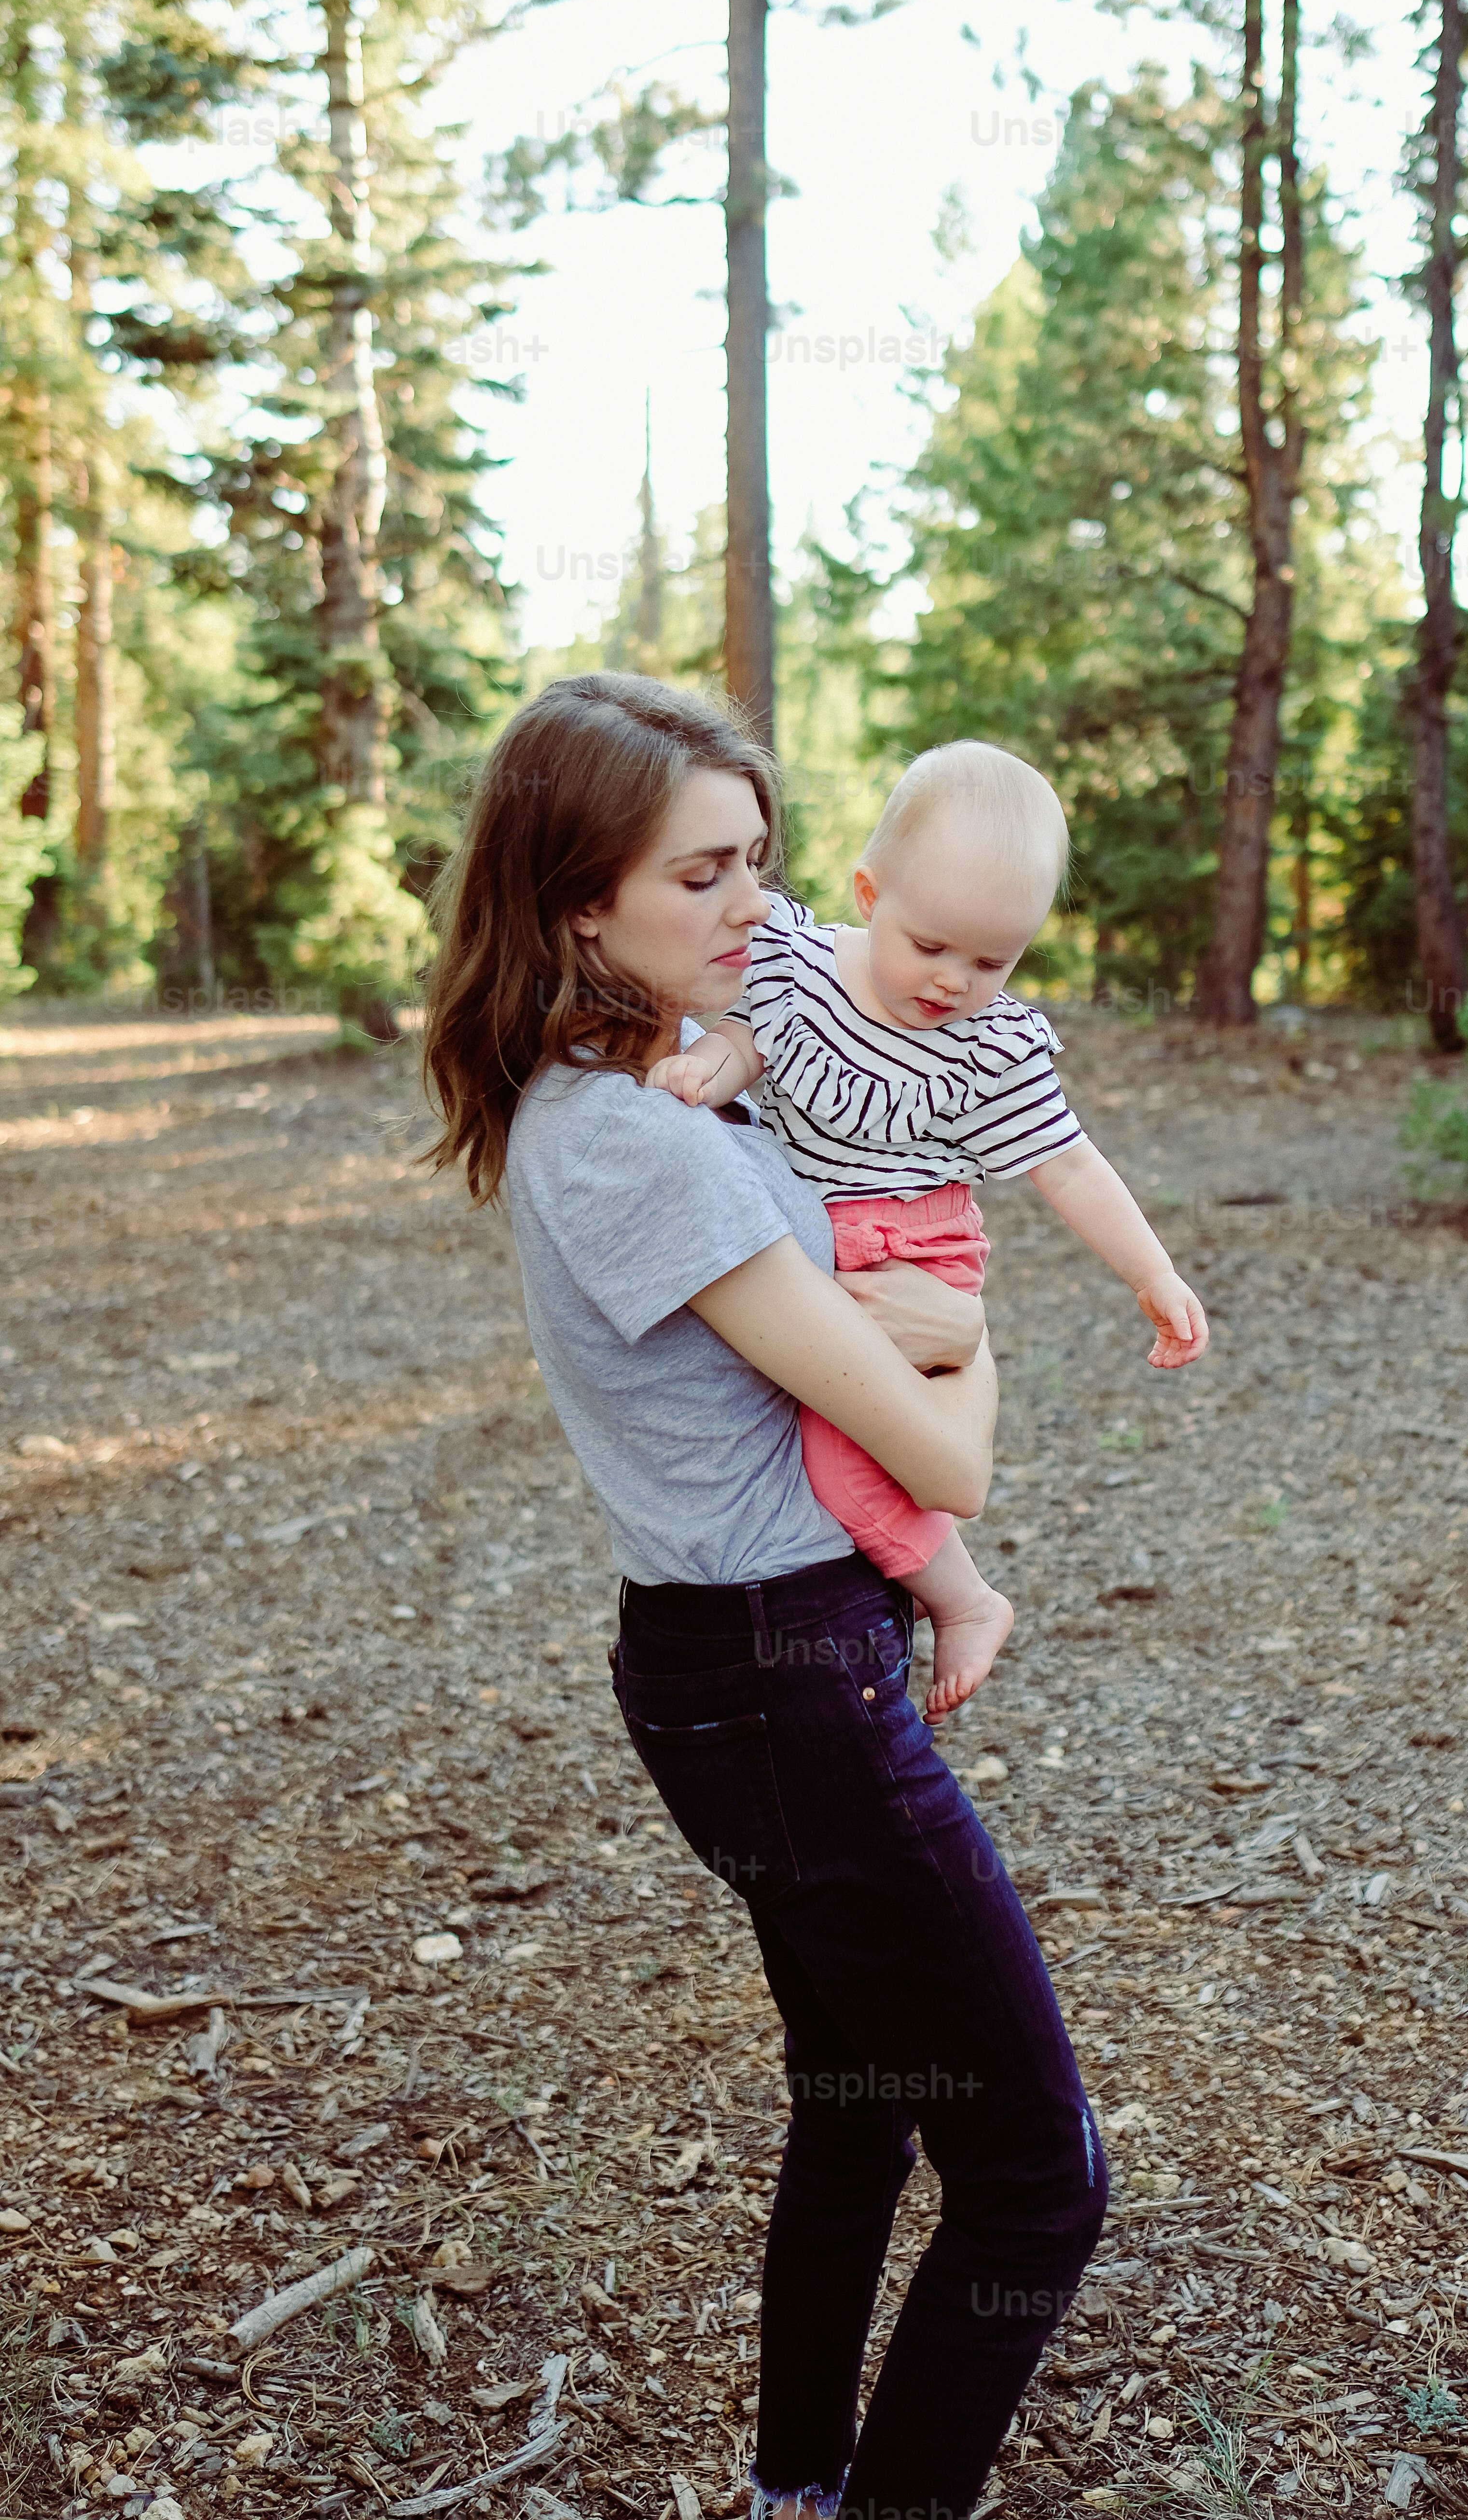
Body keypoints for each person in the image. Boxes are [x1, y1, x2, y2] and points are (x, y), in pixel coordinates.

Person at [421, 673, 1108, 2520]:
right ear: (581, 900)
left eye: (767, 862)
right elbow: (944, 1457)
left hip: (760, 1663)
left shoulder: (657, 1087)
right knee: (1042, 2177)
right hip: (781, 1681)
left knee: (861, 2106)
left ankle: (798, 2488)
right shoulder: (635, 1135)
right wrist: (976, 1351)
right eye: (705, 874)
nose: (760, 909)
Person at [649, 739, 1209, 1717]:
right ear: (868, 893)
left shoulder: (985, 1050)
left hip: (913, 1245)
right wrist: (717, 1071)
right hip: (816, 1240)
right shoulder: (795, 968)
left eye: (991, 960)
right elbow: (748, 1042)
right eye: (931, 945)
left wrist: (1152, 1276)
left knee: (840, 1449)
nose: (952, 981)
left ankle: (962, 1597)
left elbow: (1068, 1163)